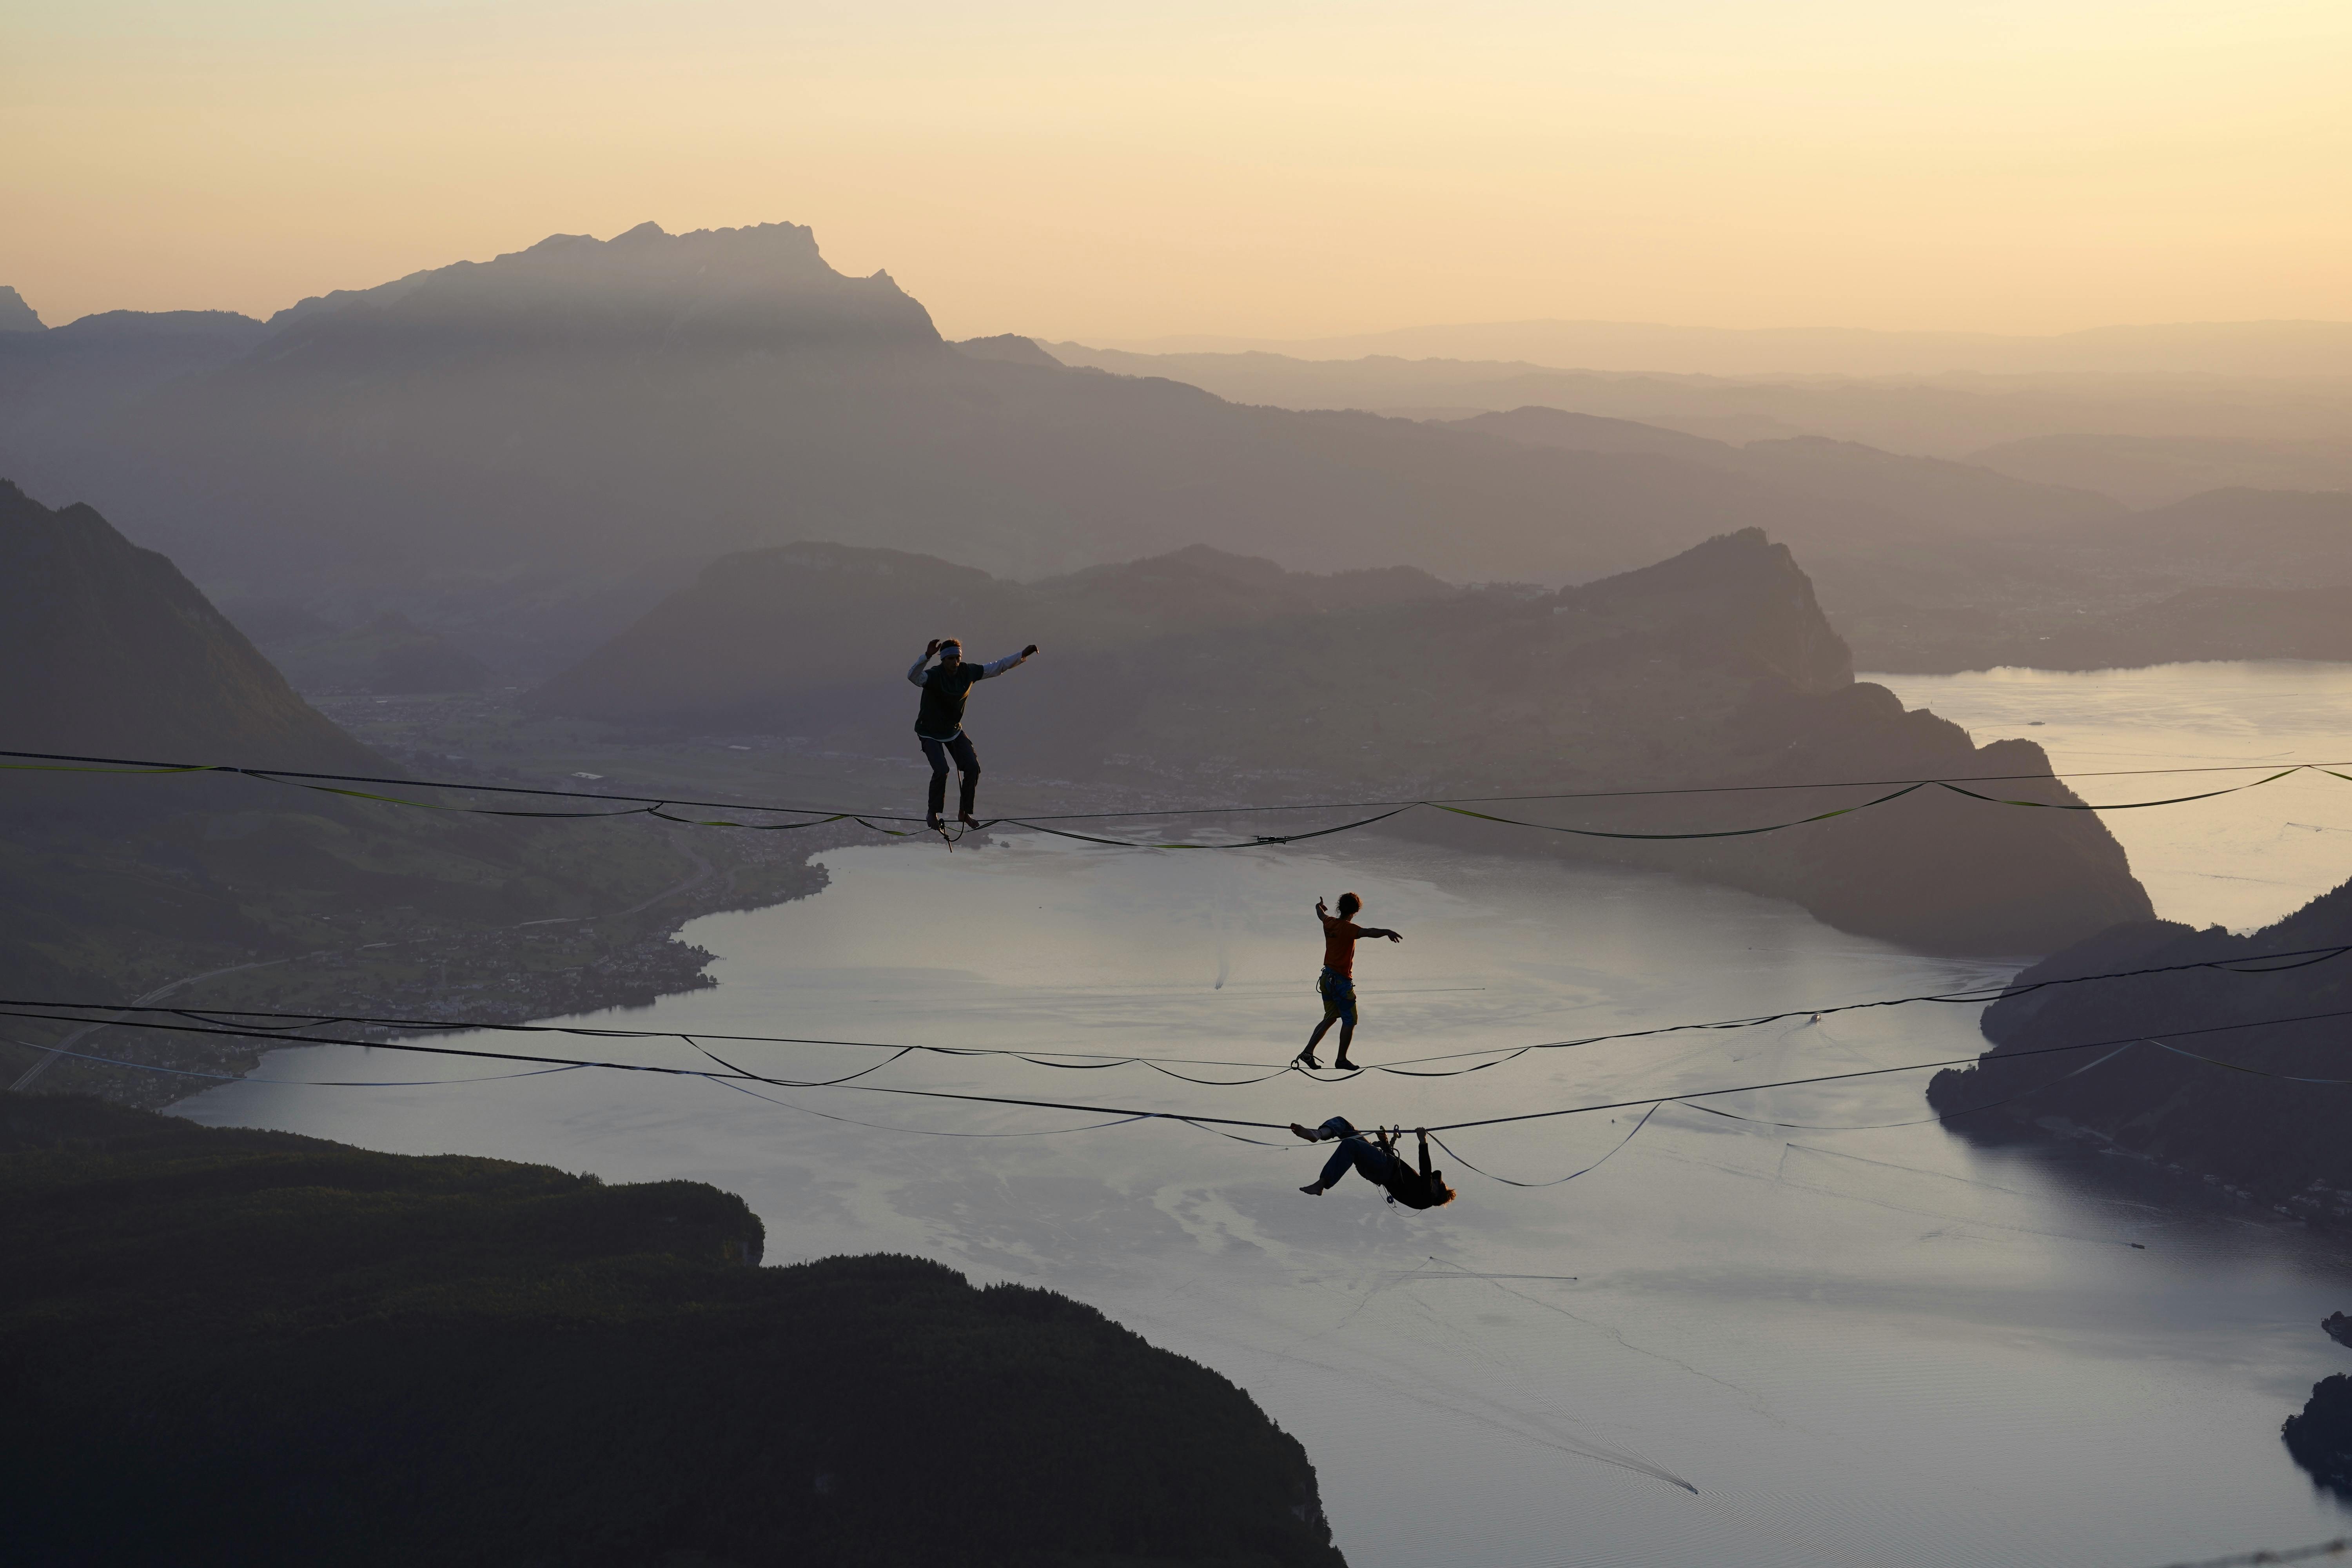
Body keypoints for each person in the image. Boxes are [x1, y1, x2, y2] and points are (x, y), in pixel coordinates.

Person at [906, 637, 1038, 830]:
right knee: (942, 770)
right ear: (943, 660)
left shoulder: (968, 672)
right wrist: (926, 656)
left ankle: (964, 812)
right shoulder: (934, 675)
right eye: (950, 659)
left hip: (953, 730)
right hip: (929, 732)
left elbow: (997, 667)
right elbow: (913, 677)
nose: (955, 662)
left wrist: (1022, 655)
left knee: (972, 767)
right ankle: (932, 812)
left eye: (957, 658)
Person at [1294, 892, 1401, 1070]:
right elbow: (1368, 932)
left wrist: (1319, 906)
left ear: (1339, 907)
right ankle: (1341, 1060)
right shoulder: (1348, 928)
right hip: (1341, 982)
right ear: (1356, 911)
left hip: (1326, 979)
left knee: (1330, 1017)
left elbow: (1320, 914)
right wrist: (1387, 932)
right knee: (1350, 1020)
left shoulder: (1330, 923)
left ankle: (1308, 1052)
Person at [1290, 1118, 1454, 1208]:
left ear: (1435, 1194)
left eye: (1435, 1183)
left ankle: (1322, 1183)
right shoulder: (1419, 1188)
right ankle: (1318, 1134)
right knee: (1345, 1125)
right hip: (1382, 1164)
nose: (1432, 1180)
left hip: (1383, 1168)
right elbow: (1417, 1177)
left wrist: (1422, 1141)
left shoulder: (1425, 1198)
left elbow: (1426, 1170)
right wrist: (1384, 1143)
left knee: (1351, 1144)